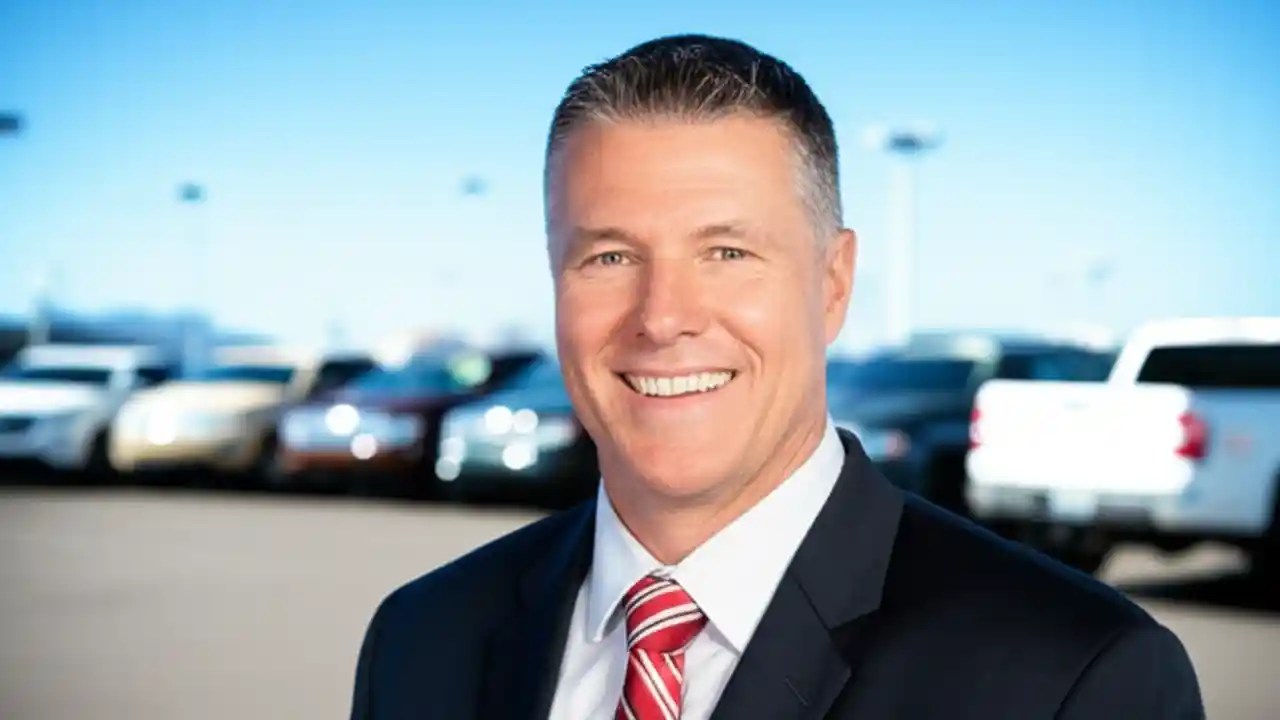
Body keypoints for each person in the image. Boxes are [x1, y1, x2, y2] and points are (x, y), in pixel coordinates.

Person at [349, 34, 1204, 720]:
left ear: (833, 284)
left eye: (726, 252)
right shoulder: (421, 640)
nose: (662, 315)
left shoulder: (1075, 677)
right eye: (609, 256)